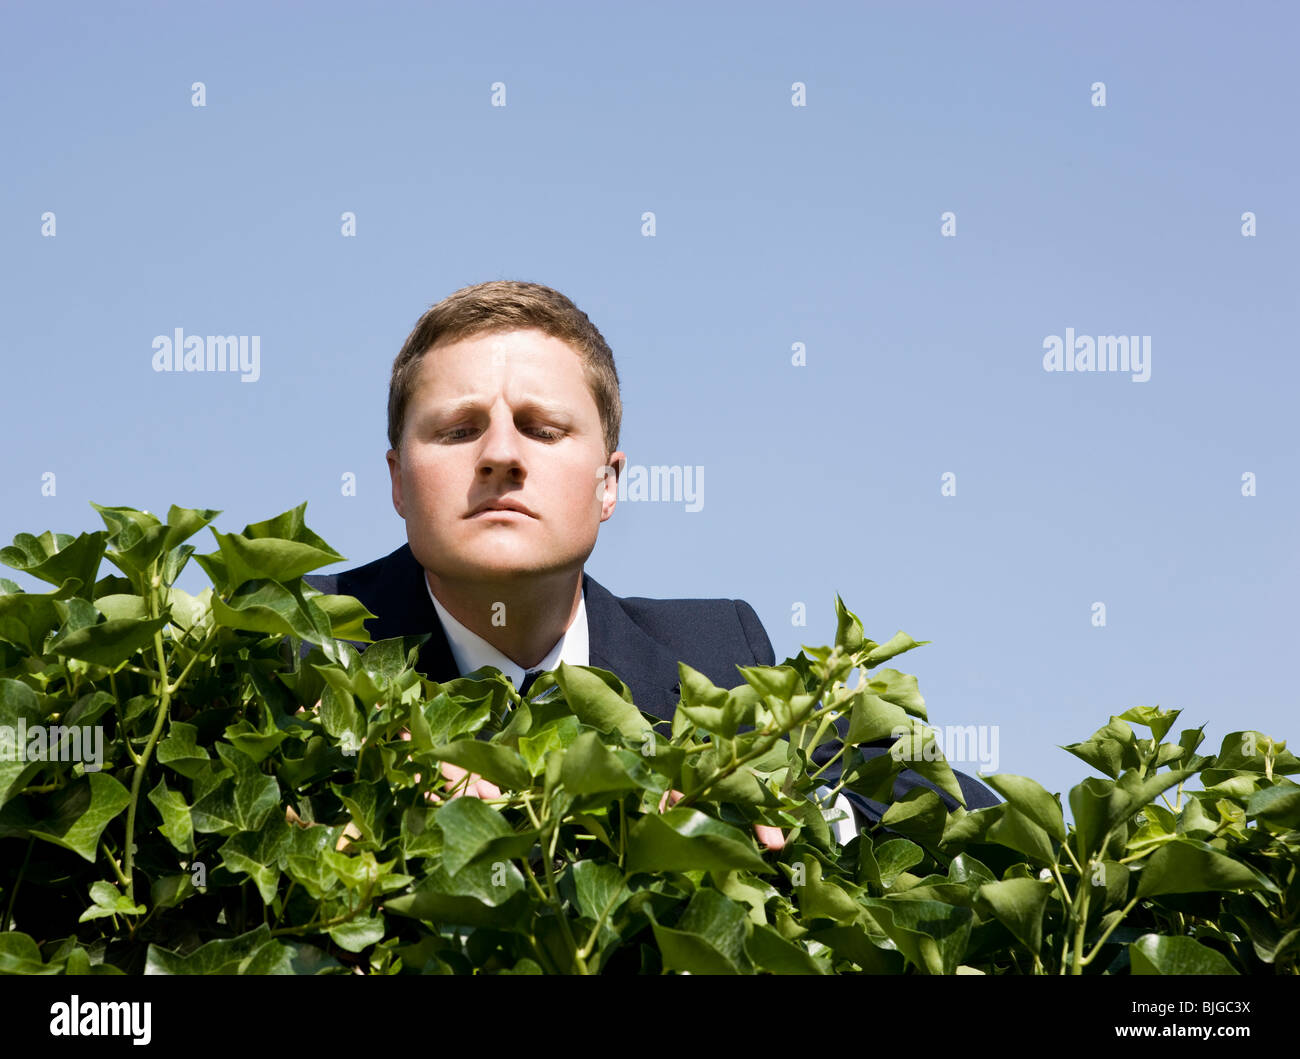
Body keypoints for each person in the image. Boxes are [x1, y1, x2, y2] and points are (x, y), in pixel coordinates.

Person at [303, 280, 997, 844]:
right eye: (458, 430)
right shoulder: (298, 642)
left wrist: (794, 807)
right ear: (397, 480)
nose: (502, 455)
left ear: (608, 484)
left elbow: (957, 804)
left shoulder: (718, 653)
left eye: (543, 429)